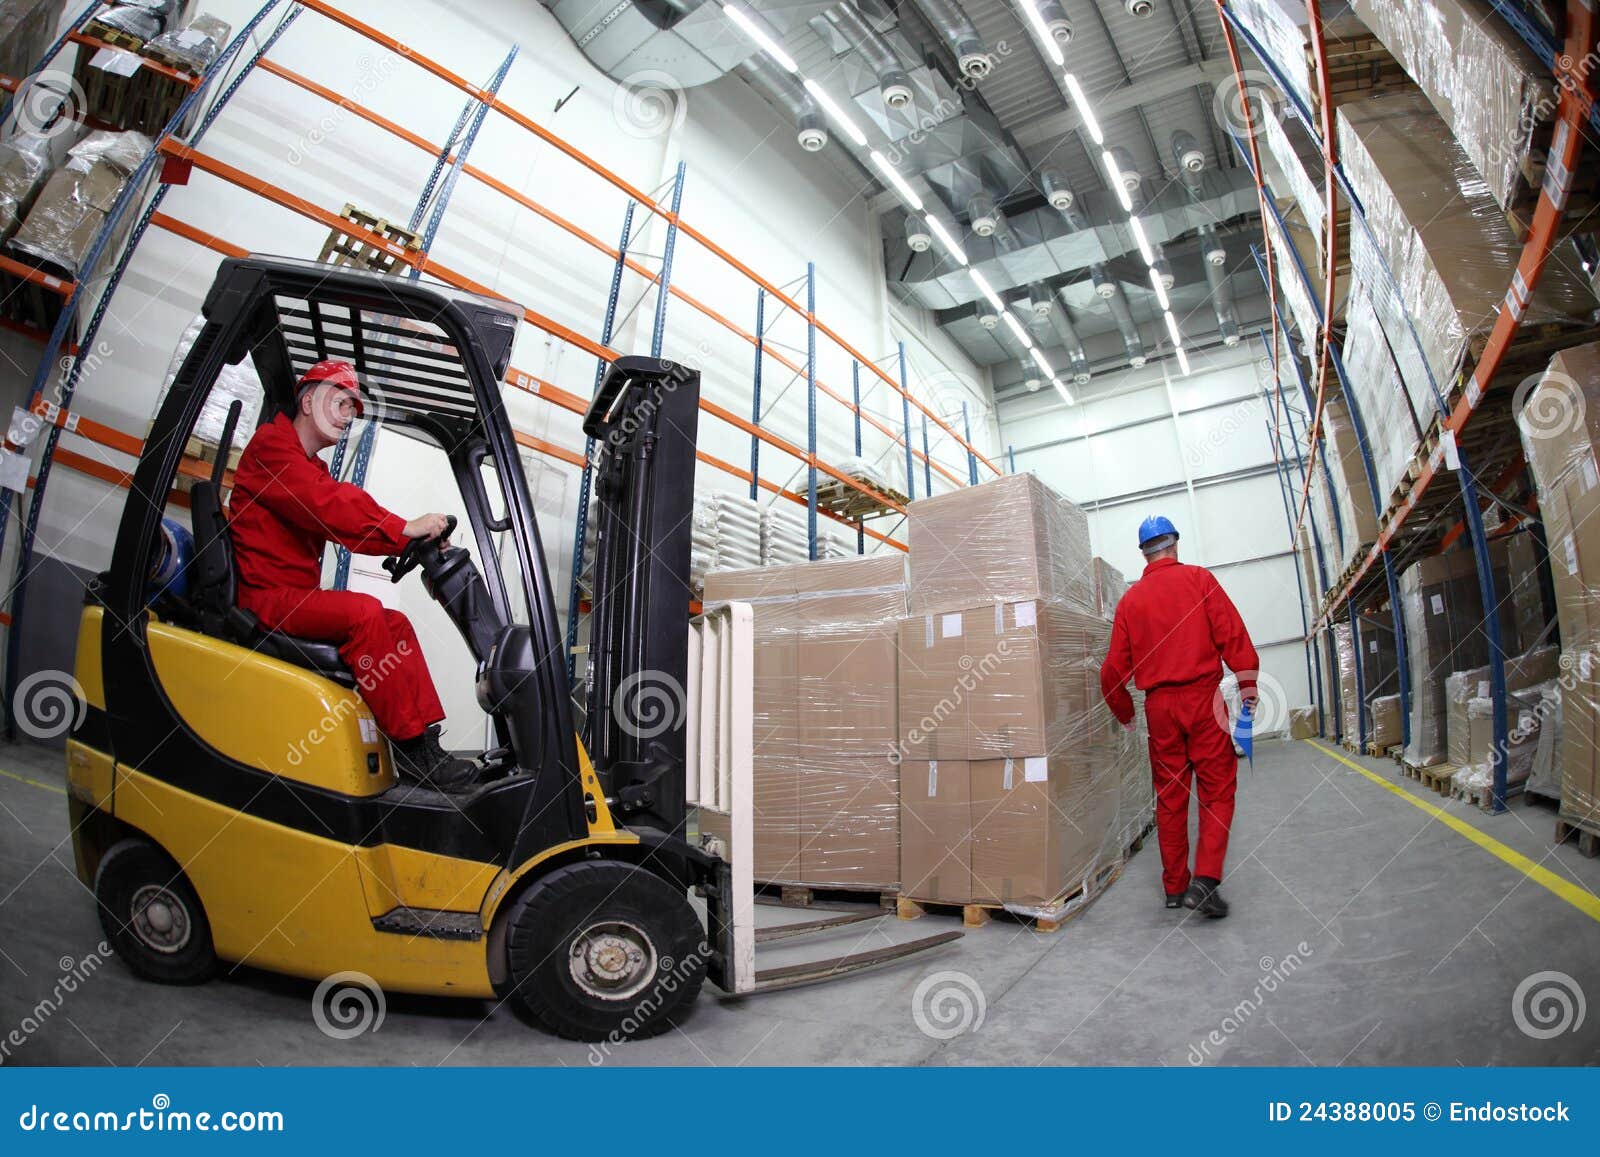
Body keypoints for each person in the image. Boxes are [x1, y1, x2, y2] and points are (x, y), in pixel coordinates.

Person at [228, 359, 478, 791]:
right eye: (342, 404)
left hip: (294, 596)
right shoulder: (271, 448)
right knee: (363, 612)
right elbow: (330, 505)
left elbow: (346, 525)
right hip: (266, 597)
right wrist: (403, 528)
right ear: (308, 400)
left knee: (394, 622)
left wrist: (407, 540)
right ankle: (411, 747)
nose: (347, 417)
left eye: (352, 409)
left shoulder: (311, 468)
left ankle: (423, 744)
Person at [1098, 515, 1259, 919]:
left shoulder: (1130, 602)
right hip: (1204, 702)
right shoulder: (1199, 580)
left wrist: (1125, 712)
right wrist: (1248, 686)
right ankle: (1204, 881)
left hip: (1160, 708)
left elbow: (1111, 671)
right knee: (1217, 790)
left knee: (1170, 799)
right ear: (1175, 545)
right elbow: (1233, 635)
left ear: (1144, 554)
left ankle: (1174, 888)